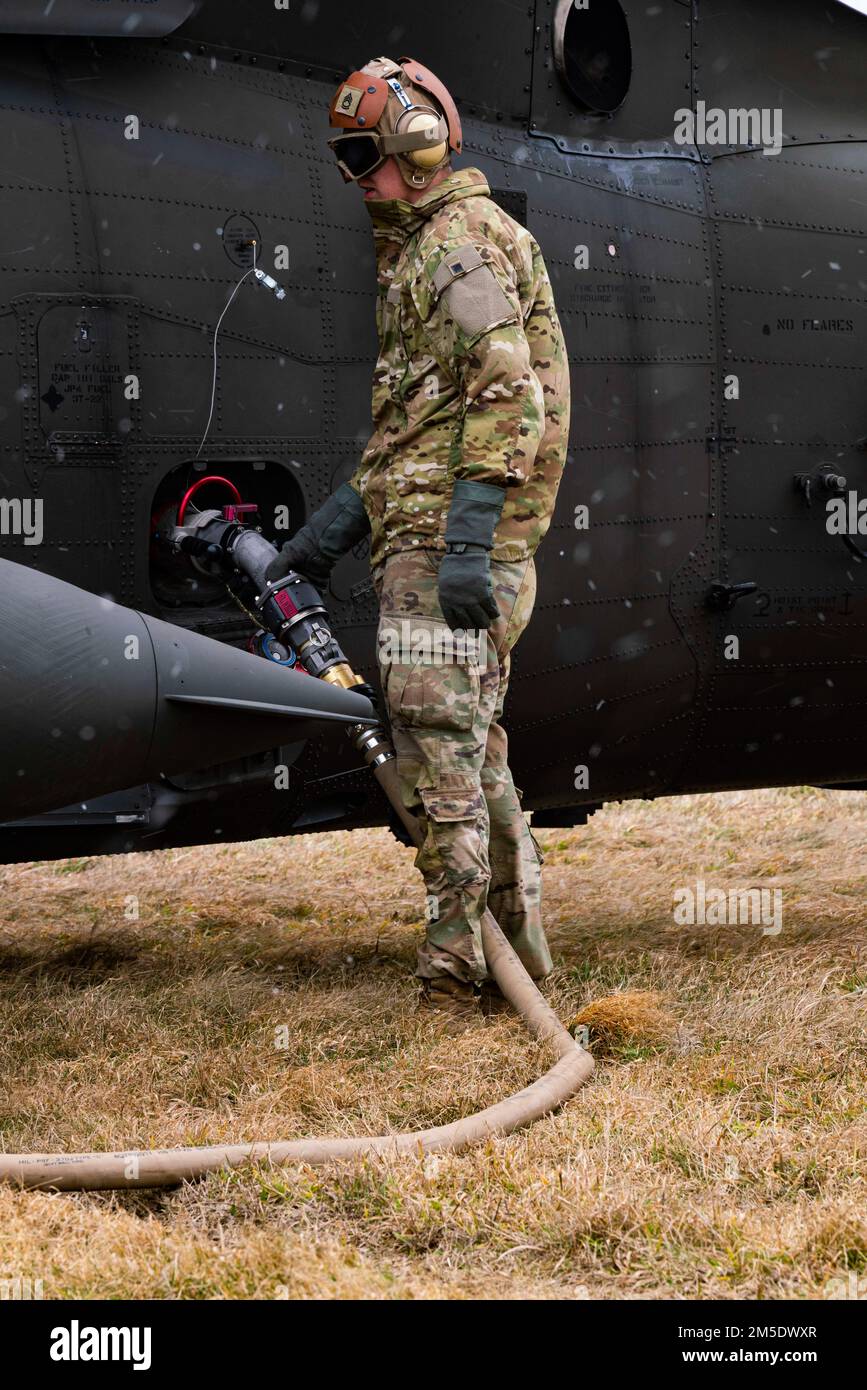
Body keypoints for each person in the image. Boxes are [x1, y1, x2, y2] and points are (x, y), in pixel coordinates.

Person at [266, 56, 571, 1021]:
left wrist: (469, 543)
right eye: (344, 158)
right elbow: (414, 426)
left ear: (419, 146)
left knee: (438, 761)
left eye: (364, 155)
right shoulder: (430, 247)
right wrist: (324, 537)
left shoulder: (454, 246)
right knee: (474, 758)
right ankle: (521, 961)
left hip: (446, 551)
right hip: (439, 537)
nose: (353, 177)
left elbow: (506, 392)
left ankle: (452, 976)